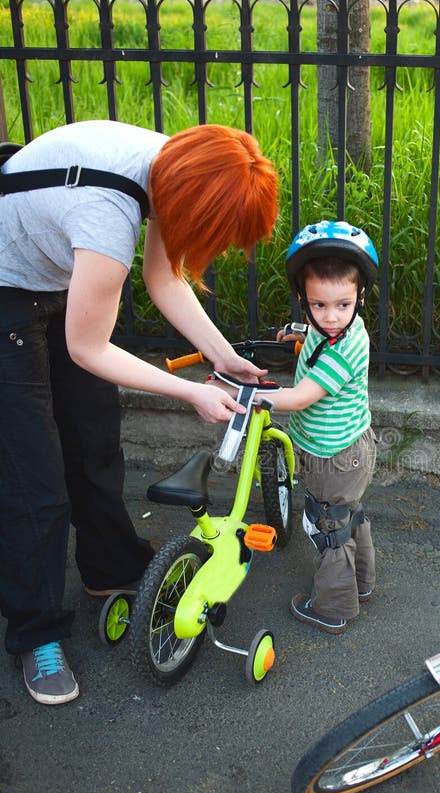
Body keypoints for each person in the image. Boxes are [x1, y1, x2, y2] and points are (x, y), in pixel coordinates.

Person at [0, 119, 279, 705]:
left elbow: (163, 280)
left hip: (57, 269)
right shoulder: (109, 213)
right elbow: (88, 348)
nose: (216, 247)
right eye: (218, 235)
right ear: (198, 210)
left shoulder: (172, 168)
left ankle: (110, 569)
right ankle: (36, 632)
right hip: (6, 285)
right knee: (34, 476)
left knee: (93, 435)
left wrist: (223, 358)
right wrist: (192, 392)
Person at [225, 220, 378, 634]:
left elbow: (299, 398)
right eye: (318, 305)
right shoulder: (332, 327)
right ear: (303, 300)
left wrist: (246, 395)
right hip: (345, 449)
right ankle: (361, 583)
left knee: (329, 528)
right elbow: (321, 328)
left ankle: (333, 608)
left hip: (335, 457)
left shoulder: (345, 348)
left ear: (360, 296)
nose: (331, 317)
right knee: (348, 516)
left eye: (343, 305)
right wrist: (296, 331)